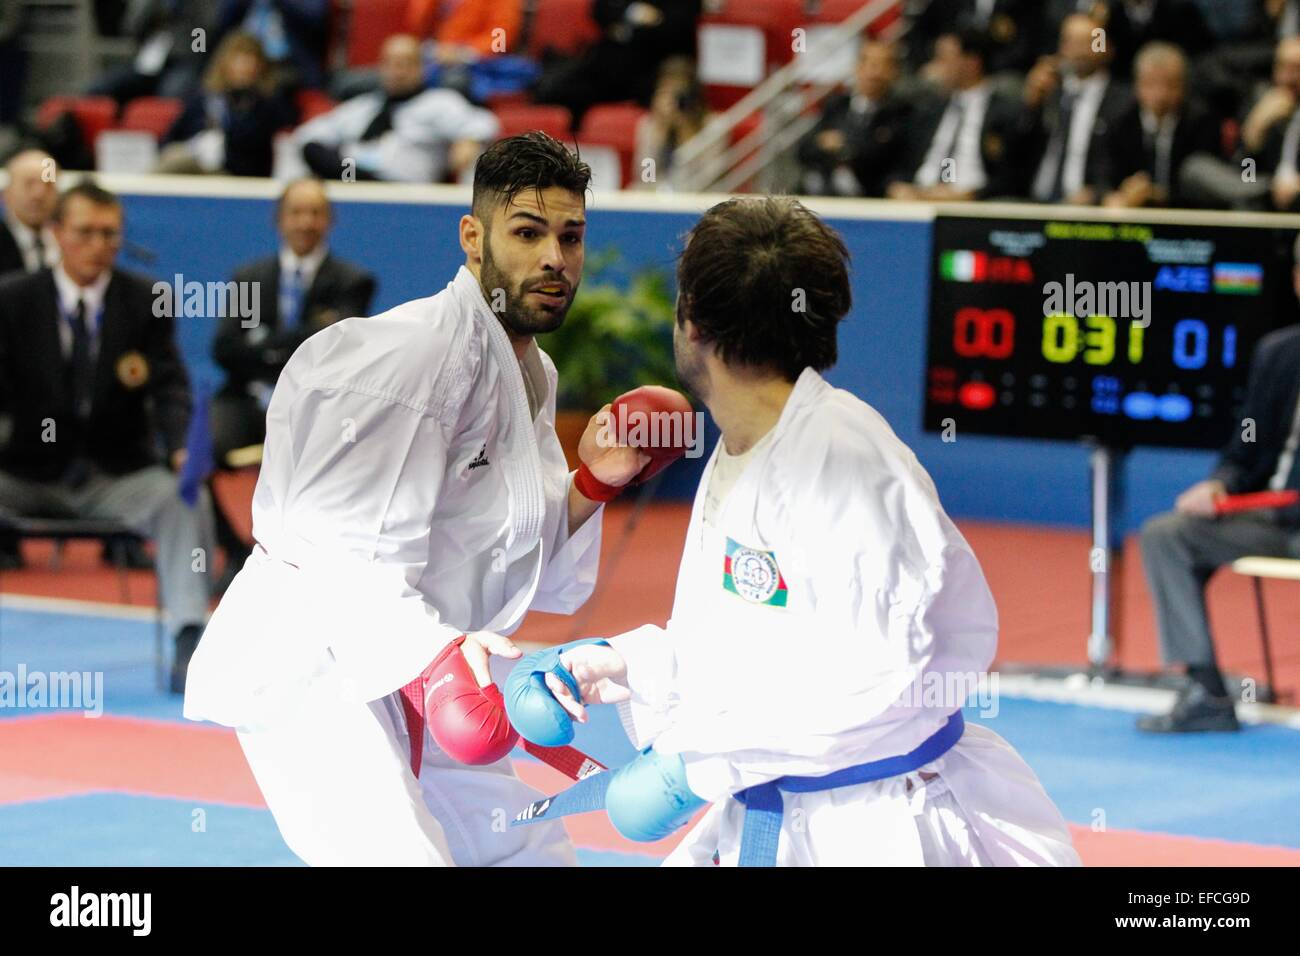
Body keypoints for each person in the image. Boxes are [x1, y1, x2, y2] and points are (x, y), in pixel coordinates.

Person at [506, 196, 1081, 867]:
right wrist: (626, 661)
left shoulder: (842, 463)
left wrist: (699, 767)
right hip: (780, 808)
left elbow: (890, 679)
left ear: (691, 323)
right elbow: (765, 651)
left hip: (875, 828)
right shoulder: (747, 444)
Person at [183, 132, 652, 866]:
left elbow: (508, 549)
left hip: (424, 656)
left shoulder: (531, 370)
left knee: (528, 852)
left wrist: (593, 483)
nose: (554, 258)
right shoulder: (407, 359)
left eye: (571, 236)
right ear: (473, 238)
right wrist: (437, 660)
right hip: (320, 663)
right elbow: (340, 549)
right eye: (527, 233)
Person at [0, 181, 214, 691]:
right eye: (85, 232)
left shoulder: (144, 301)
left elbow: (169, 387)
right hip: (23, 470)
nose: (98, 244)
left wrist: (181, 445)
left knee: (183, 499)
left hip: (114, 473)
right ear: (56, 234)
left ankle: (188, 636)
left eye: (109, 234)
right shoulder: (13, 299)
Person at [1138, 232, 1300, 734]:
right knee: (1168, 534)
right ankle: (1207, 692)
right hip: (1272, 522)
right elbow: (1243, 452)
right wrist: (1220, 485)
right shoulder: (1279, 353)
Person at [211, 176, 375, 583]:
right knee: (200, 449)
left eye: (316, 212)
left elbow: (337, 350)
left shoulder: (353, 281)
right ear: (279, 220)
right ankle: (236, 551)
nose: (306, 222)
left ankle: (313, 562)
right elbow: (225, 350)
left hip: (317, 406)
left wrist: (264, 344)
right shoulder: (249, 276)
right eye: (297, 212)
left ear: (330, 221)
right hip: (249, 400)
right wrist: (296, 341)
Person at [293, 34, 499, 183]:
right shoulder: (365, 105)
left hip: (402, 192)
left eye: (404, 64)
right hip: (351, 182)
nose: (396, 72)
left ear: (421, 68)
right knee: (310, 150)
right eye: (389, 63)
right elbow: (310, 134)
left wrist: (469, 139)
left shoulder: (439, 103)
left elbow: (483, 122)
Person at [886, 26, 1029, 202]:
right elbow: (901, 161)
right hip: (918, 199)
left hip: (975, 205)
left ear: (972, 62)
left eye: (943, 58)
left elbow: (1014, 175)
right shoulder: (929, 109)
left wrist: (973, 194)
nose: (934, 67)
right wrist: (897, 185)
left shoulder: (1006, 112)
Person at [1022, 12, 1130, 205]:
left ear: (1108, 47)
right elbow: (1014, 157)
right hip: (1036, 203)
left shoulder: (1124, 102)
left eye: (1089, 42)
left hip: (1091, 206)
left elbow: (1126, 164)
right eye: (1070, 42)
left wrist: (1098, 193)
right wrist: (1030, 107)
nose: (1079, 51)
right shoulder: (1048, 91)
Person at [157, 32, 296, 178]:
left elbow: (257, 150)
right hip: (191, 168)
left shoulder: (267, 104)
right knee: (176, 155)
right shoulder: (203, 98)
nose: (244, 68)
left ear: (260, 67)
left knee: (180, 160)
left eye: (249, 62)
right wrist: (196, 144)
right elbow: (169, 138)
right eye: (239, 61)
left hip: (235, 174)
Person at [1099, 42, 1220, 208]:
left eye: (1170, 85)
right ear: (1137, 85)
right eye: (1151, 84)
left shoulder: (1202, 122)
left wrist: (1160, 195)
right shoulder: (1120, 122)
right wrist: (1118, 193)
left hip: (1186, 219)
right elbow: (1104, 175)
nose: (1160, 95)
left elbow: (1207, 188)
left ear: (1183, 86)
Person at [795, 40, 912, 199]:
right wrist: (821, 144)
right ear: (857, 68)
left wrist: (844, 144)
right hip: (821, 191)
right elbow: (804, 149)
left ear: (894, 72)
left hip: (869, 198)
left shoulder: (901, 112)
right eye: (868, 63)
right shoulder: (836, 105)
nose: (874, 73)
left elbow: (883, 160)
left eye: (882, 65)